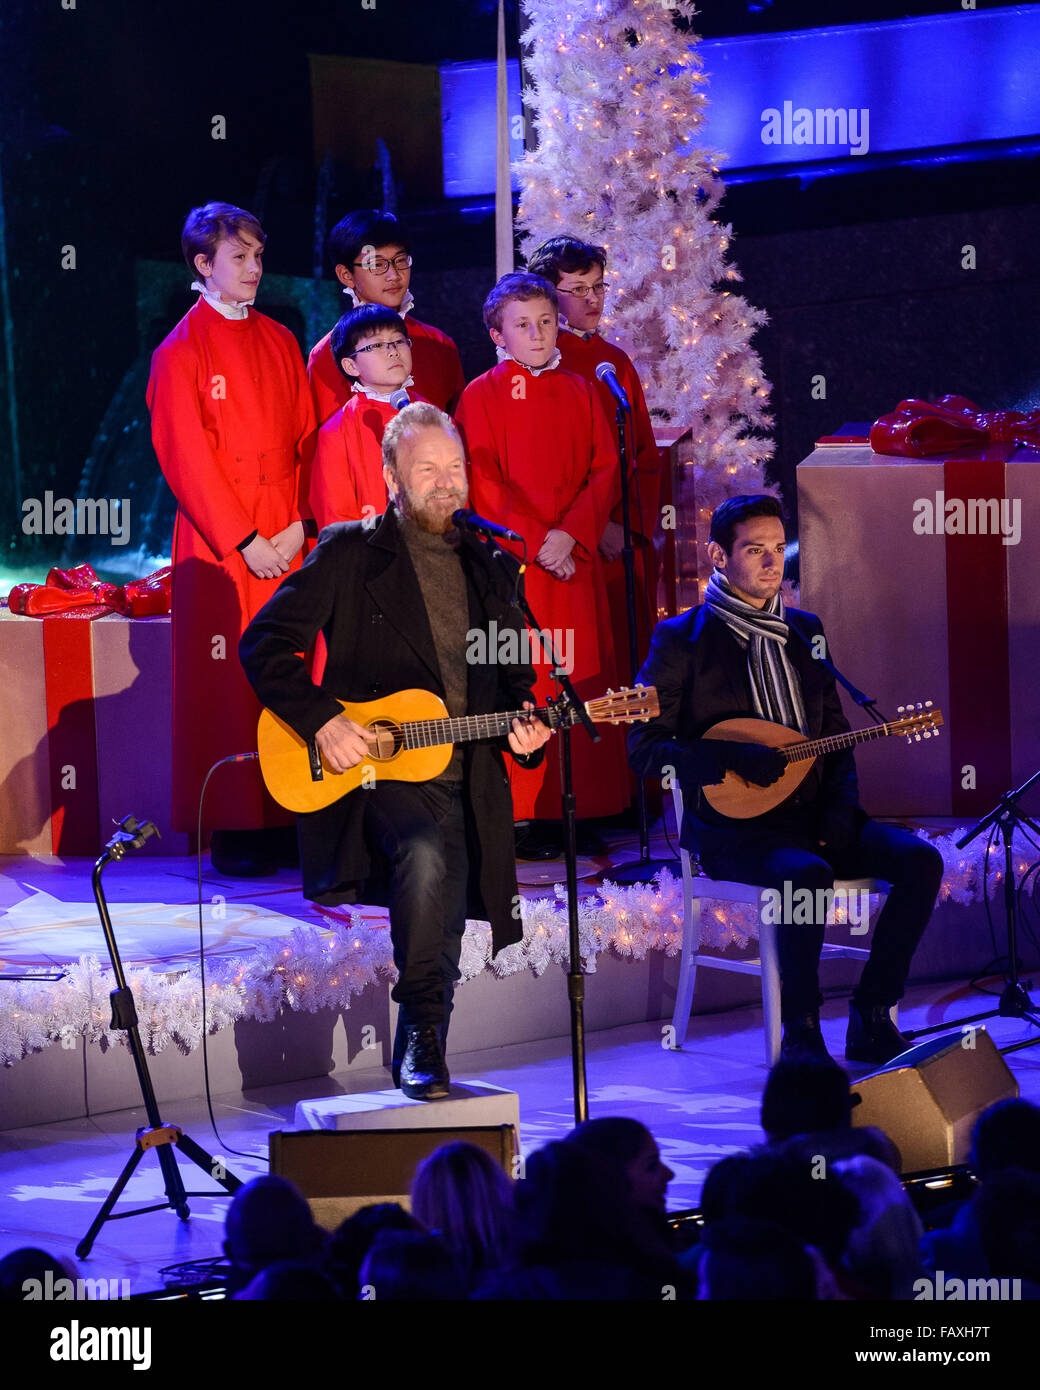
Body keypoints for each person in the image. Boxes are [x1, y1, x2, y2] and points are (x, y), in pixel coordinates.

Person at [239, 403, 551, 1099]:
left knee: (446, 907)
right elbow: (262, 644)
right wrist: (322, 719)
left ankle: (428, 1035)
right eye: (427, 470)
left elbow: (513, 682)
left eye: (455, 468)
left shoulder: (493, 565)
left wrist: (528, 734)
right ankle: (419, 1031)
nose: (446, 483)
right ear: (390, 476)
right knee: (424, 855)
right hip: (376, 768)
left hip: (466, 766)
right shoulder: (351, 552)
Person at [627, 493, 943, 1064]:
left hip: (816, 814)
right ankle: (801, 1033)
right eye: (756, 550)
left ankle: (872, 1014)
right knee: (805, 874)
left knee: (920, 861)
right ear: (719, 556)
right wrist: (727, 758)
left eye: (778, 549)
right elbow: (645, 750)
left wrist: (838, 816)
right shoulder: (680, 640)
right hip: (736, 831)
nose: (773, 562)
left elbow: (838, 740)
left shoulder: (805, 630)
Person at [146, 201, 316, 876]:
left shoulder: (280, 338)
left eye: (257, 256)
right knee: (229, 678)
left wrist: (300, 519)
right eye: (239, 258)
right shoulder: (180, 351)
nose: (253, 269)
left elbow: (307, 436)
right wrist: (245, 537)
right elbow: (184, 455)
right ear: (202, 265)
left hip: (286, 525)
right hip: (223, 541)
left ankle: (293, 807)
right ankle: (238, 822)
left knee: (294, 668)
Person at [455, 271, 629, 858]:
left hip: (570, 564)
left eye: (547, 322)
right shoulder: (480, 395)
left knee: (574, 681)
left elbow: (603, 469)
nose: (537, 334)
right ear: (497, 334)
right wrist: (534, 542)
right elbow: (482, 479)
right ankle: (520, 816)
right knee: (524, 684)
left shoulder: (582, 390)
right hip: (517, 569)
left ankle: (569, 809)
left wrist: (571, 533)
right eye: (523, 326)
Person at [527, 236, 662, 665]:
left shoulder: (614, 362)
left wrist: (624, 526)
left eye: (599, 286)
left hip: (620, 540)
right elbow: (538, 465)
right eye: (578, 289)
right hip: (565, 540)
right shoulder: (535, 363)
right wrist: (590, 527)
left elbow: (641, 454)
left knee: (629, 660)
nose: (593, 299)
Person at [307, 210, 466, 424]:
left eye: (400, 260)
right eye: (377, 264)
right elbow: (326, 440)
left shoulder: (439, 344)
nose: (394, 275)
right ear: (346, 275)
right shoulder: (327, 353)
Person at [310, 303, 428, 530]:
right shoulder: (336, 432)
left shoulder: (434, 416)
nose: (393, 350)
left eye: (398, 341)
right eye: (377, 345)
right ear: (350, 366)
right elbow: (335, 517)